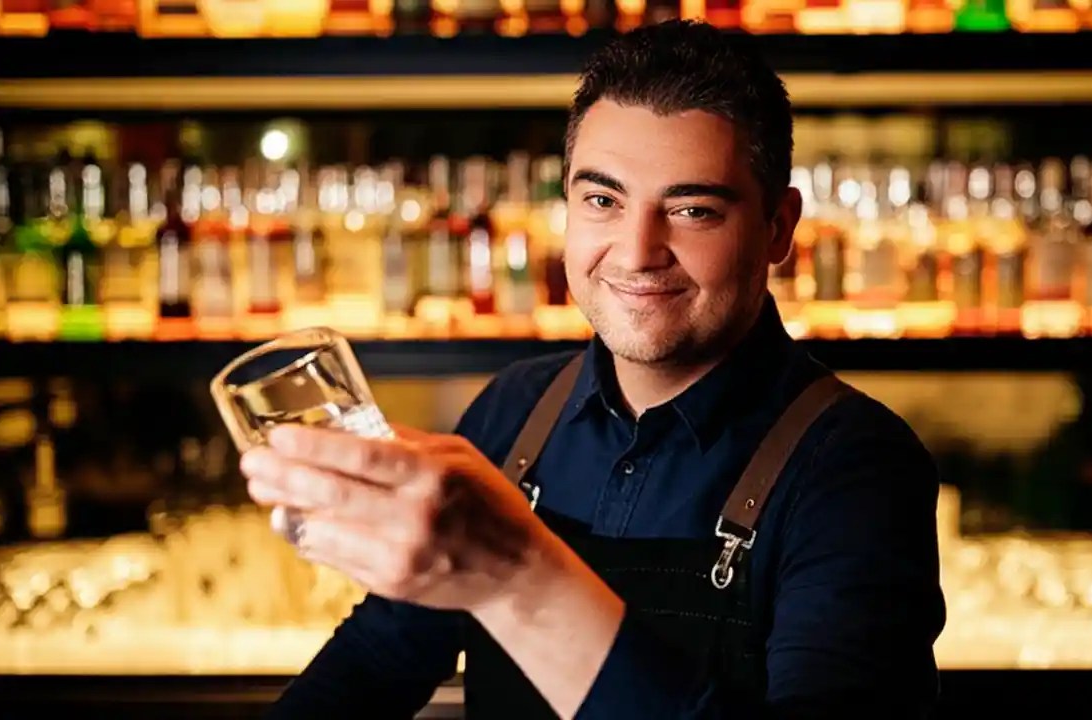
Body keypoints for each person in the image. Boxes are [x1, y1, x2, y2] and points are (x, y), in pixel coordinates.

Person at [240, 19, 946, 719]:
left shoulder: (855, 466)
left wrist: (517, 574)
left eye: (692, 210)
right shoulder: (514, 411)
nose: (637, 252)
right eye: (603, 201)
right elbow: (376, 659)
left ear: (778, 228)